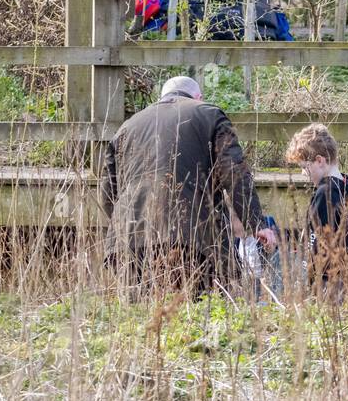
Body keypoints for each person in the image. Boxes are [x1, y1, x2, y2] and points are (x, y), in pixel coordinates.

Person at [101, 75, 276, 296]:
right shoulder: (209, 114)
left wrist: (123, 226)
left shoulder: (127, 127)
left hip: (129, 241)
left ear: (161, 97)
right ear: (198, 96)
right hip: (193, 240)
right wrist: (255, 223)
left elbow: (108, 191)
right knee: (202, 309)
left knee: (139, 316)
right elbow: (234, 174)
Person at [285, 124, 348, 292]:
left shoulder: (325, 193)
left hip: (327, 281)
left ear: (319, 160)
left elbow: (316, 241)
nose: (304, 173)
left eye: (305, 167)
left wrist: (307, 275)